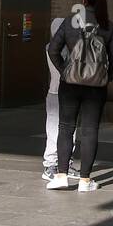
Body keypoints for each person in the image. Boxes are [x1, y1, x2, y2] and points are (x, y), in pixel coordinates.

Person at [46, 0, 113, 192]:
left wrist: (65, 71)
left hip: (69, 85)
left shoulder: (70, 22)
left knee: (65, 127)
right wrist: (105, 77)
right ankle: (85, 181)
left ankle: (61, 175)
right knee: (89, 131)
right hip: (96, 88)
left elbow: (53, 50)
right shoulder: (108, 26)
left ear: (84, 0)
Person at [42, 16, 77, 181]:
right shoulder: (57, 49)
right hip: (59, 94)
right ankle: (51, 165)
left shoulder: (53, 47)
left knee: (66, 130)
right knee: (58, 130)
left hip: (59, 93)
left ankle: (64, 163)